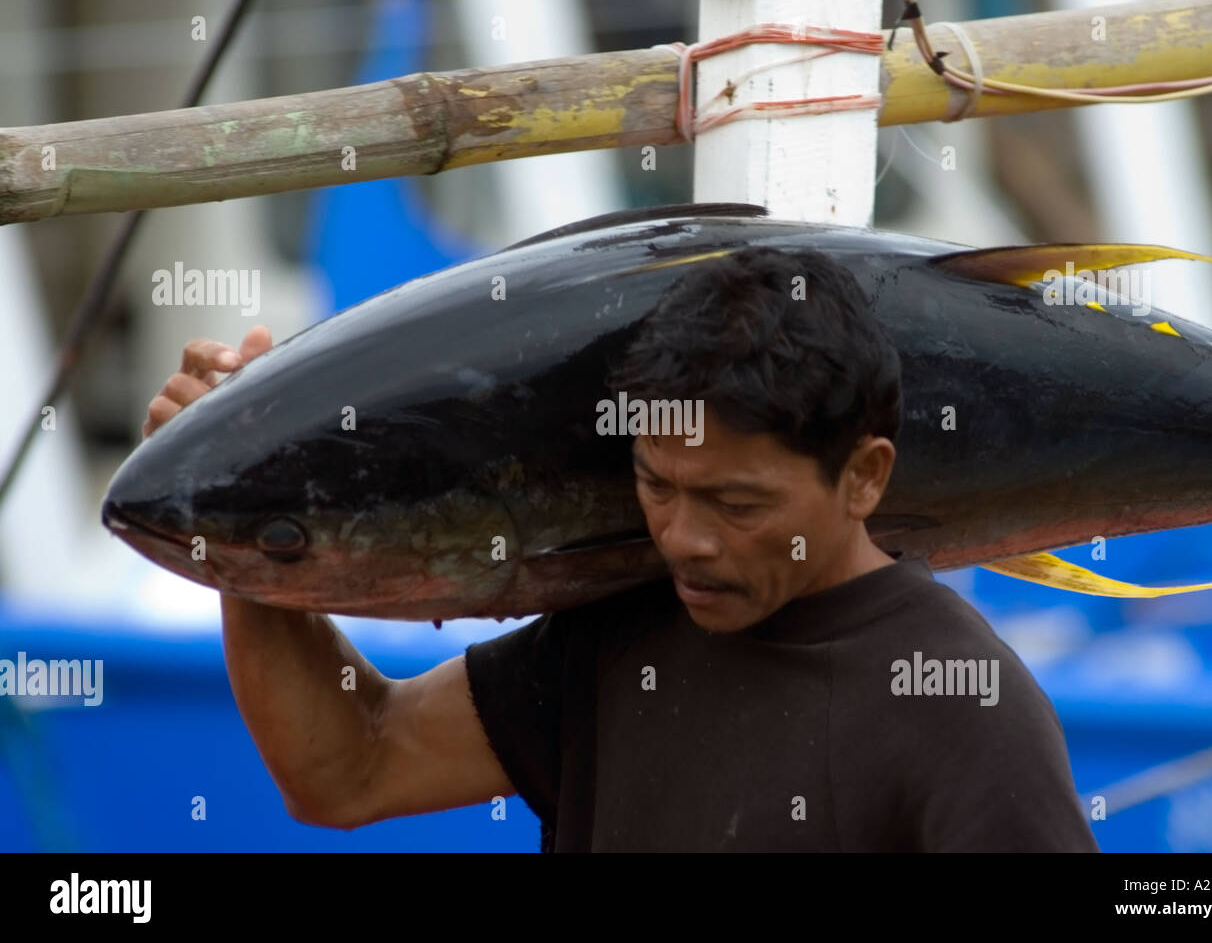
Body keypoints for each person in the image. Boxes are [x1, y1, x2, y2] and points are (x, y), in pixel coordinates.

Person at [143, 247, 1100, 852]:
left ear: (864, 477)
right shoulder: (622, 628)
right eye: (656, 485)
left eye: (737, 503)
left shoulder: (965, 707)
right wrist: (236, 511)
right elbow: (350, 769)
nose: (684, 540)